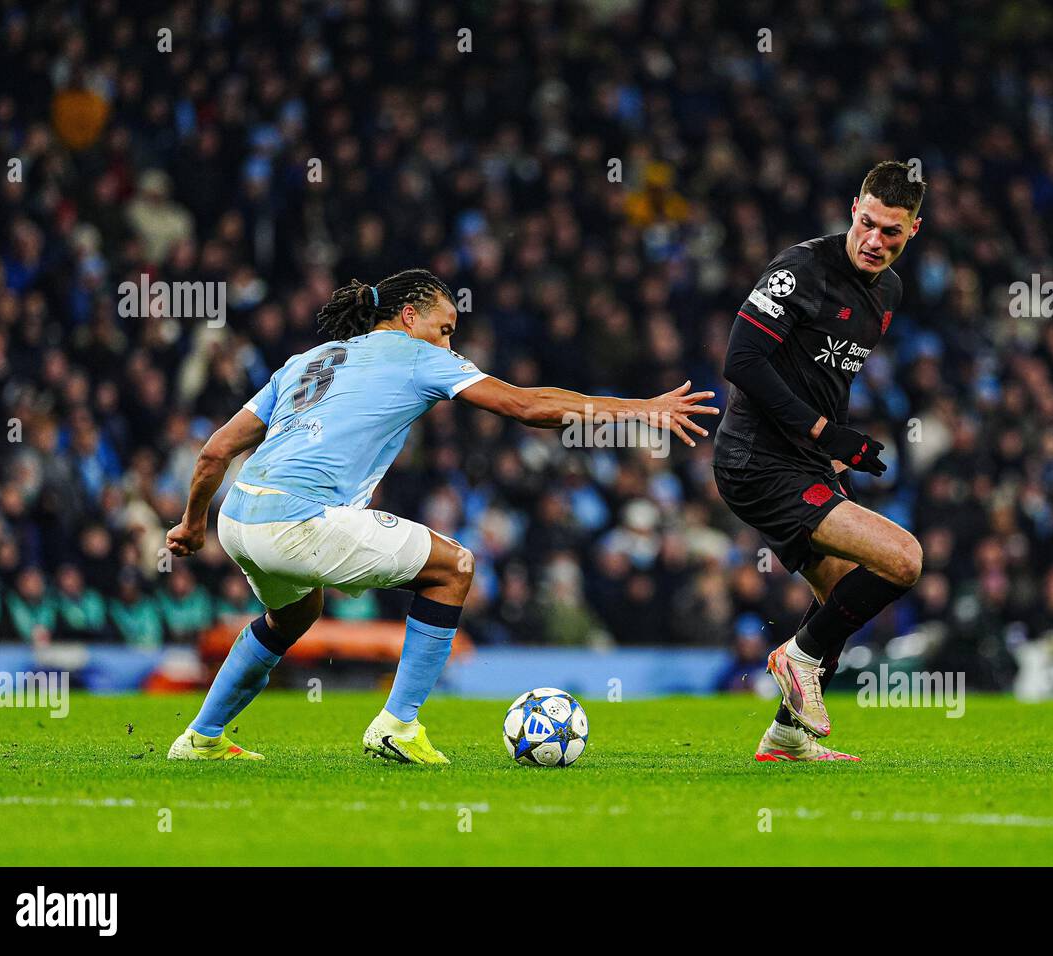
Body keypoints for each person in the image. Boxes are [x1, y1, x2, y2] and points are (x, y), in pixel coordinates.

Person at [164, 268, 716, 763]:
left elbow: (216, 450)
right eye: (446, 327)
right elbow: (526, 406)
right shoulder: (420, 355)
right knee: (455, 567)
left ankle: (201, 737)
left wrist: (192, 525)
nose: (451, 341)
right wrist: (640, 409)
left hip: (236, 519)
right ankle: (398, 726)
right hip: (297, 519)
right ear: (409, 316)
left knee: (293, 617)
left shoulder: (307, 361)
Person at [713, 161, 925, 762]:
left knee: (840, 591)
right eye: (868, 224)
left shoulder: (888, 293)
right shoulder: (800, 269)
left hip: (804, 462)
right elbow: (743, 361)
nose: (875, 241)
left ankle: (786, 736)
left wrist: (830, 457)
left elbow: (828, 373)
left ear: (914, 230)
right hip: (755, 458)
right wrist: (825, 433)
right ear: (852, 208)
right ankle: (796, 657)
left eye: (892, 232)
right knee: (902, 559)